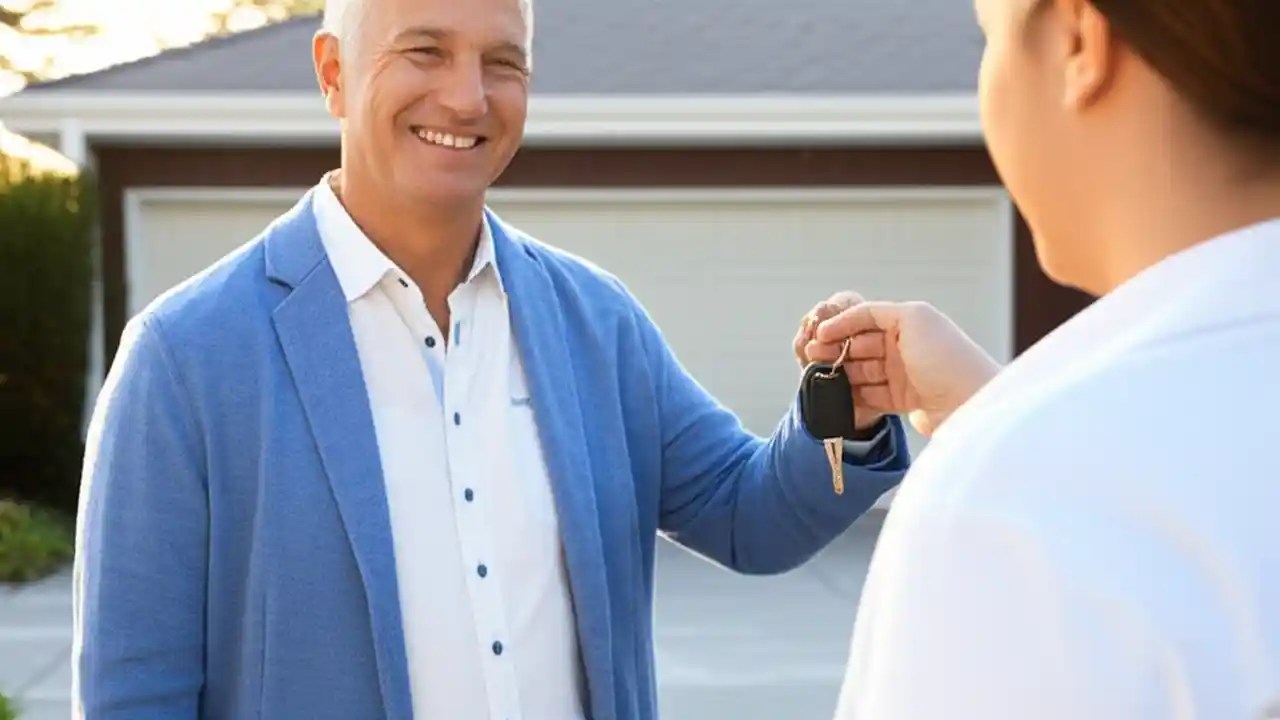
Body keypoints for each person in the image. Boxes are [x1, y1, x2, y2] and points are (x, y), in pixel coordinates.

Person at [70, 0, 911, 717]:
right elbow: (133, 694)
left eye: (502, 63)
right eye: (425, 51)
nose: (467, 97)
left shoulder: (596, 323)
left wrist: (847, 407)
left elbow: (747, 514)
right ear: (333, 72)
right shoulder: (183, 362)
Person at [798, 0, 1280, 717]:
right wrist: (990, 406)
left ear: (1081, 39)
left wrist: (1009, 439)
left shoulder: (1017, 510)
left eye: (987, 37)